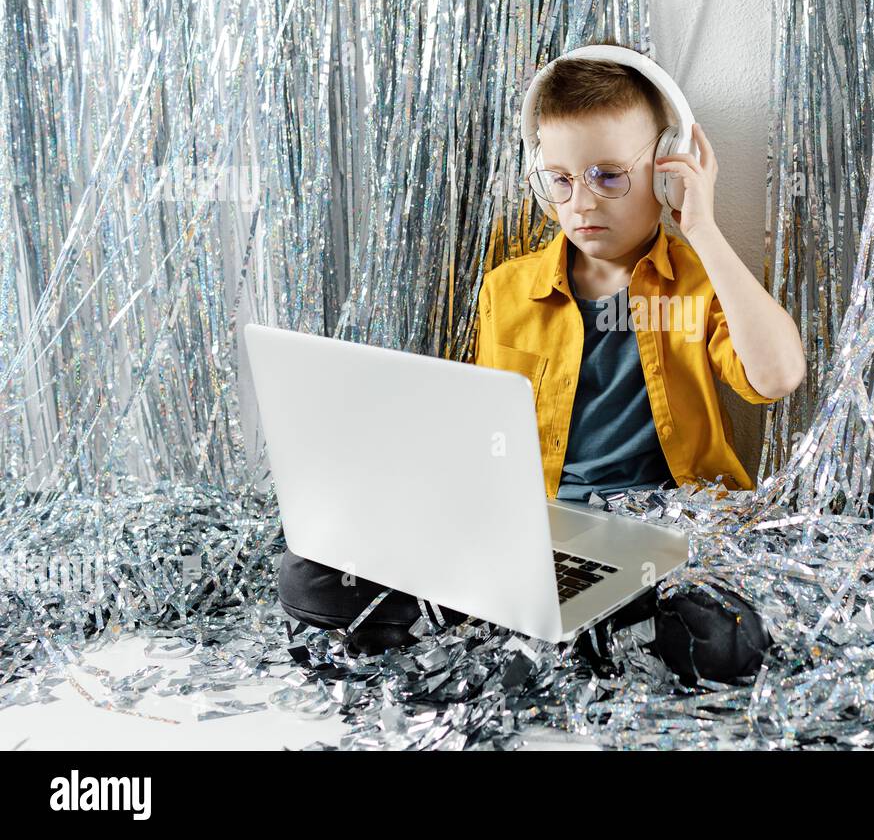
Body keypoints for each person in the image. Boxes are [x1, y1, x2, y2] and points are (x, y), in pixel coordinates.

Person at [279, 44, 807, 682]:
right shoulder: (509, 288)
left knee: (724, 638)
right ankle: (556, 622)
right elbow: (483, 437)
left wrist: (703, 227)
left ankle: (549, 624)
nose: (581, 204)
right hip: (537, 532)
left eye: (609, 176)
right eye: (560, 180)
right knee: (307, 571)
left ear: (668, 168)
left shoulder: (697, 285)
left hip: (659, 540)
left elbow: (776, 377)